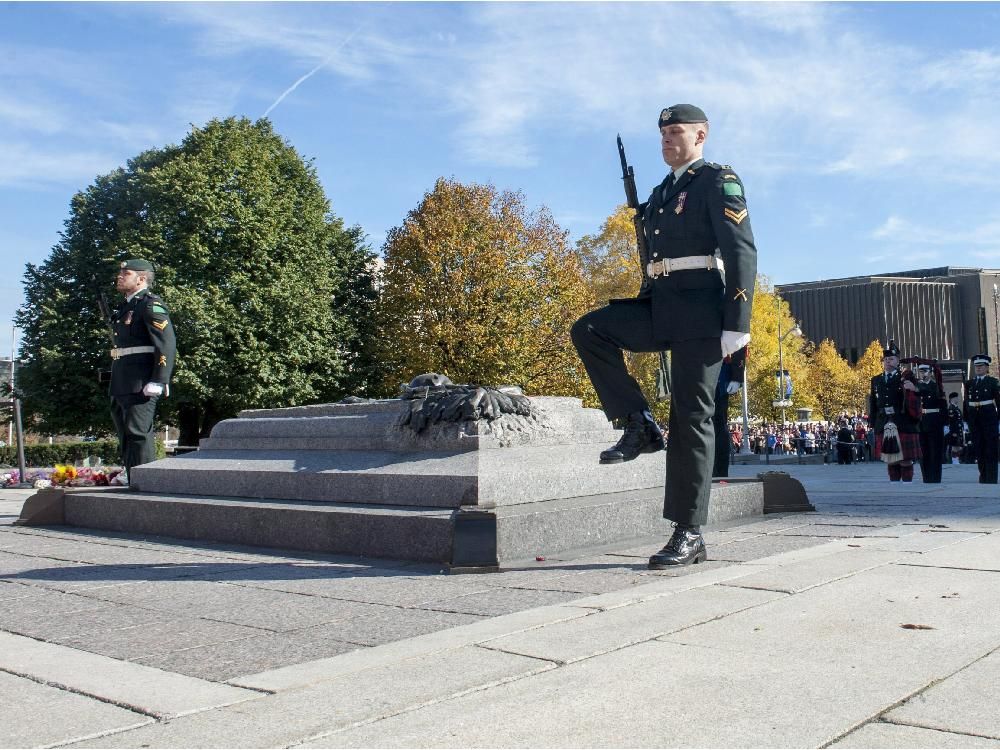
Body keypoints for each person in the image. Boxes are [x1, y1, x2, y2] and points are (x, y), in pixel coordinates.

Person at [571, 104, 757, 567]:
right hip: (660, 305)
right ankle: (639, 423)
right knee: (590, 329)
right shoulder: (660, 191)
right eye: (662, 134)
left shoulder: (717, 180)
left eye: (676, 132)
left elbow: (741, 250)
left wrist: (738, 322)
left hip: (702, 312)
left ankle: (688, 531)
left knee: (692, 416)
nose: (667, 141)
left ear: (701, 136)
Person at [109, 259, 176, 486]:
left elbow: (166, 343)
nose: (120, 277)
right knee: (126, 433)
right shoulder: (127, 306)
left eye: (125, 273)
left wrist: (159, 379)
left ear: (141, 279)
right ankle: (132, 476)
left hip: (141, 380)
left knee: (138, 432)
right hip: (122, 378)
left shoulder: (149, 304)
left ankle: (146, 481)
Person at [868, 342, 921, 481]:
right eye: (885, 359)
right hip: (884, 421)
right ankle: (895, 486)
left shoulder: (905, 377)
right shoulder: (876, 380)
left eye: (891, 359)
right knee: (891, 459)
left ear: (898, 361)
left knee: (905, 459)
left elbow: (917, 394)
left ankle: (907, 486)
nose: (887, 362)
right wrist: (873, 422)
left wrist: (914, 388)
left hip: (902, 421)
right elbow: (873, 402)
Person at [963, 354, 1000, 484]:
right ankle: (983, 476)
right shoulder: (969, 383)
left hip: (989, 418)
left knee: (991, 449)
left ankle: (991, 478)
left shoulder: (993, 382)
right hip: (975, 420)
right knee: (979, 448)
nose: (978, 369)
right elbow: (966, 402)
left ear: (986, 368)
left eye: (981, 366)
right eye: (976, 366)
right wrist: (966, 420)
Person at [712, 345, 747, 477]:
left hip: (719, 370)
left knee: (718, 423)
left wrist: (737, 376)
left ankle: (718, 472)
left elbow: (738, 336)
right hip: (695, 369)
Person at [915, 363, 946, 483]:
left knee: (935, 451)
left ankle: (935, 477)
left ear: (930, 372)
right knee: (924, 451)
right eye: (921, 371)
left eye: (925, 371)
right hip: (921, 421)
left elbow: (943, 405)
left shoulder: (936, 386)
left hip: (935, 420)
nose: (923, 374)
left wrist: (944, 422)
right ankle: (926, 477)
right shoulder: (916, 386)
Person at [945, 391, 965, 463]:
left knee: (959, 445)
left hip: (959, 429)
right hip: (954, 430)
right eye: (956, 398)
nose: (957, 399)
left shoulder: (957, 408)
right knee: (955, 446)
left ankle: (957, 459)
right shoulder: (951, 409)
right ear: (952, 399)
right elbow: (951, 421)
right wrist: (953, 432)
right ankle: (955, 460)